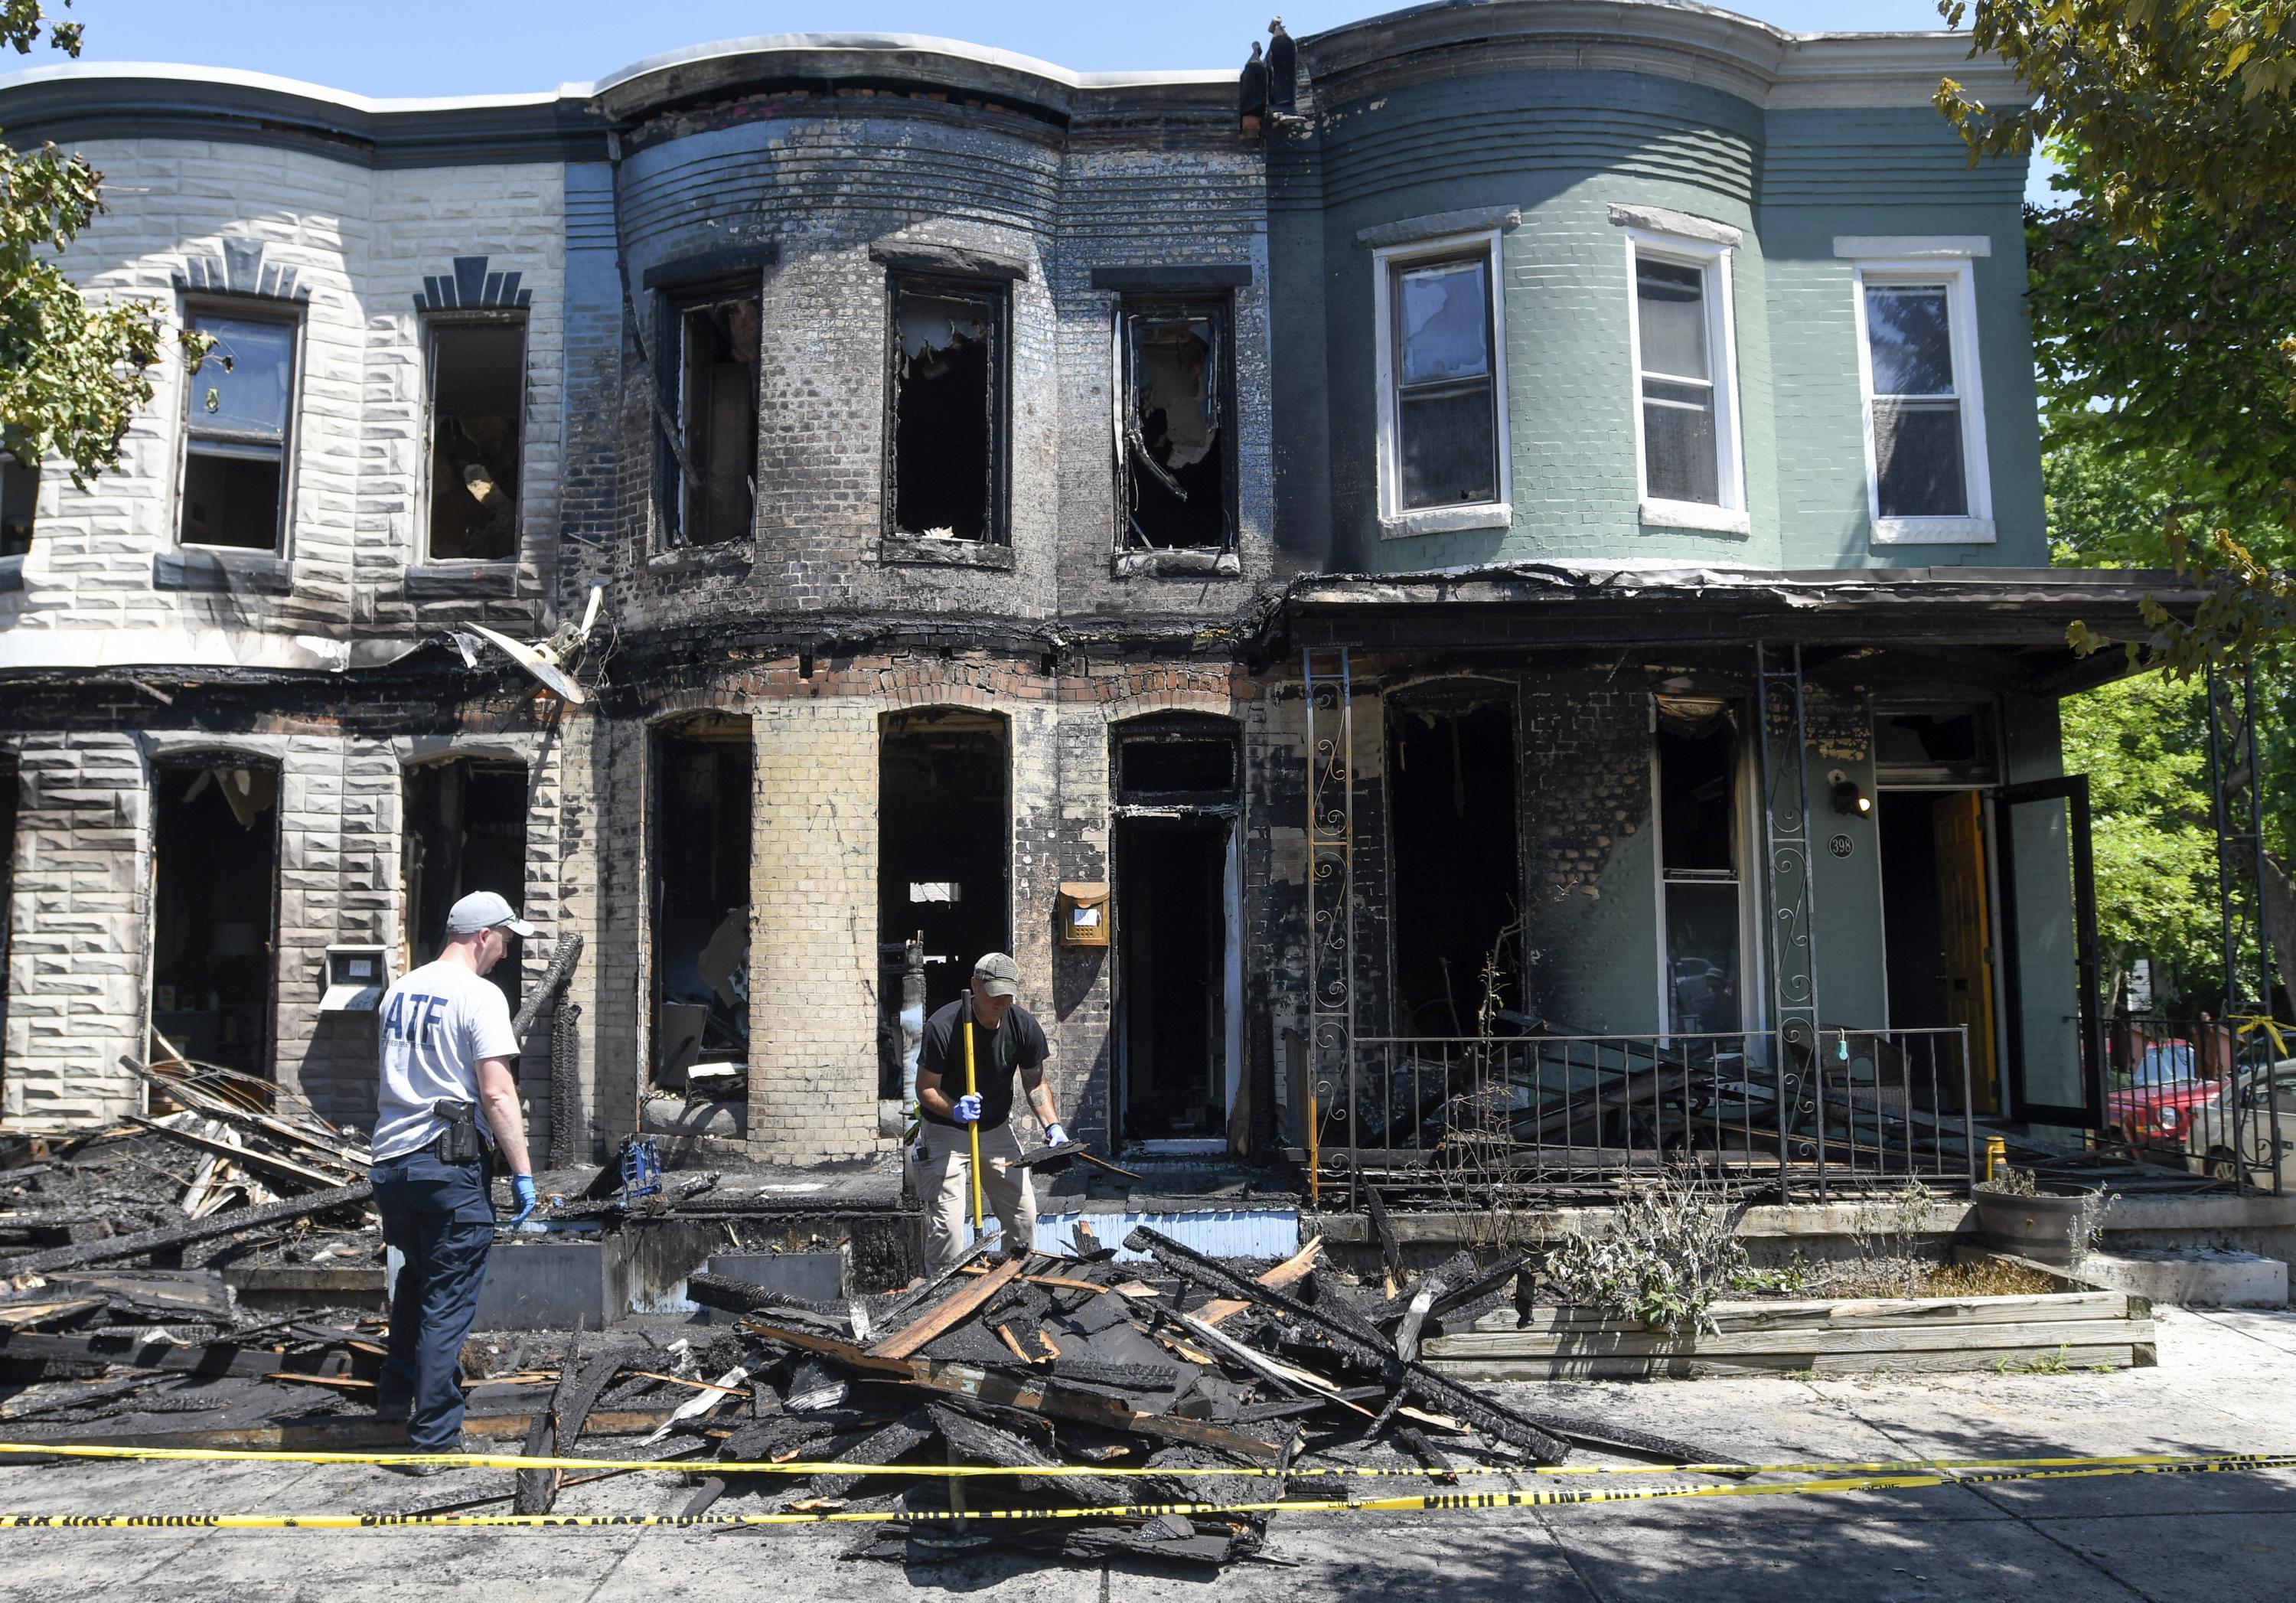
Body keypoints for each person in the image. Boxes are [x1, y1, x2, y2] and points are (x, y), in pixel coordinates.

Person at [369, 890, 541, 1471]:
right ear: (483, 935)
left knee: (416, 1284)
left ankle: (393, 1403)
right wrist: (523, 1174)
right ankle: (435, 1437)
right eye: (506, 942)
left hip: (393, 1166)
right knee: (447, 1302)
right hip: (447, 1167)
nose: (506, 954)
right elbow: (495, 1091)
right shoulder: (479, 995)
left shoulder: (400, 990)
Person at [914, 952, 1067, 1276]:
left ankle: (1012, 1281)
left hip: (996, 1129)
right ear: (974, 986)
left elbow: (1034, 1081)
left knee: (1023, 1217)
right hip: (947, 1130)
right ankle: (943, 1294)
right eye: (994, 994)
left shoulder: (1022, 1025)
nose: (1001, 1002)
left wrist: (1052, 1126)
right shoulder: (942, 1027)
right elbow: (925, 1089)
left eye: (1007, 994)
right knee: (949, 1231)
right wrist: (955, 1110)